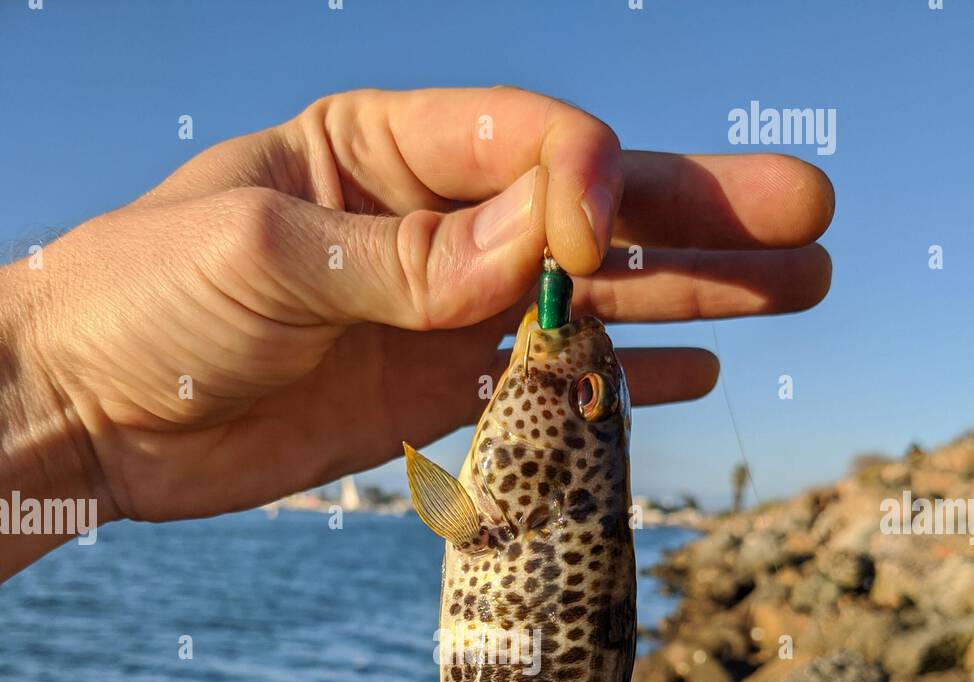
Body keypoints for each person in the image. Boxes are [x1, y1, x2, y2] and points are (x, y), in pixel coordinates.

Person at [0, 87, 833, 582]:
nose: (578, 375)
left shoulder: (485, 508)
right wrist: (56, 390)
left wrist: (62, 401)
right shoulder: (496, 504)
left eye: (585, 397)